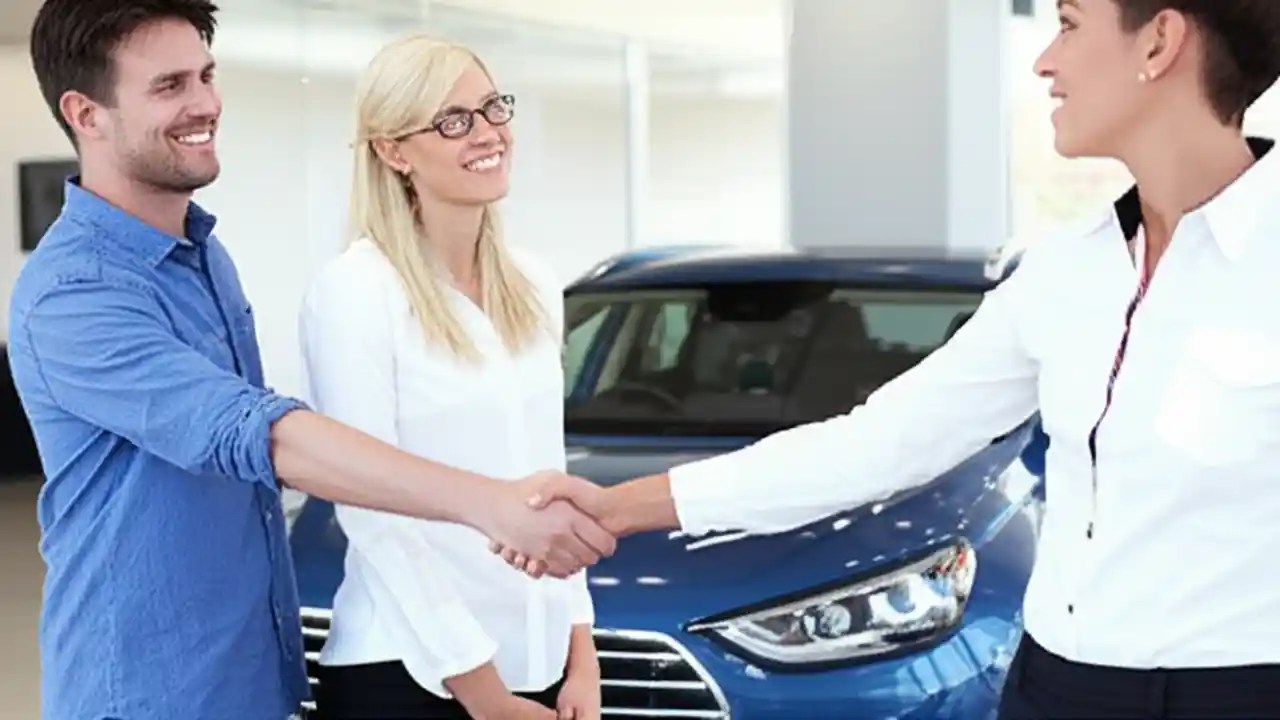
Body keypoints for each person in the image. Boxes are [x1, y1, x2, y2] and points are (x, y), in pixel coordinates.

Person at [498, 1, 1280, 718]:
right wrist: (619, 507)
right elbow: (878, 443)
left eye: (1070, 24)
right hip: (1057, 687)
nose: (1045, 61)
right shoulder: (1065, 273)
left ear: (1160, 41)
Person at [7, 2, 613, 719]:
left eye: (206, 75)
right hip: (146, 693)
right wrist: (490, 504)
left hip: (255, 678)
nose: (205, 103)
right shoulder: (73, 293)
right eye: (170, 86)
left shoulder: (203, 257)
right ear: (86, 113)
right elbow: (252, 433)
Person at [299, 35, 600, 720]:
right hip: (411, 676)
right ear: (393, 151)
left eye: (492, 108)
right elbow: (371, 507)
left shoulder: (532, 283)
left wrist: (580, 652)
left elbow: (551, 487)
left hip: (541, 664)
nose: (488, 133)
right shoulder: (356, 291)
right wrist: (484, 693)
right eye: (452, 120)